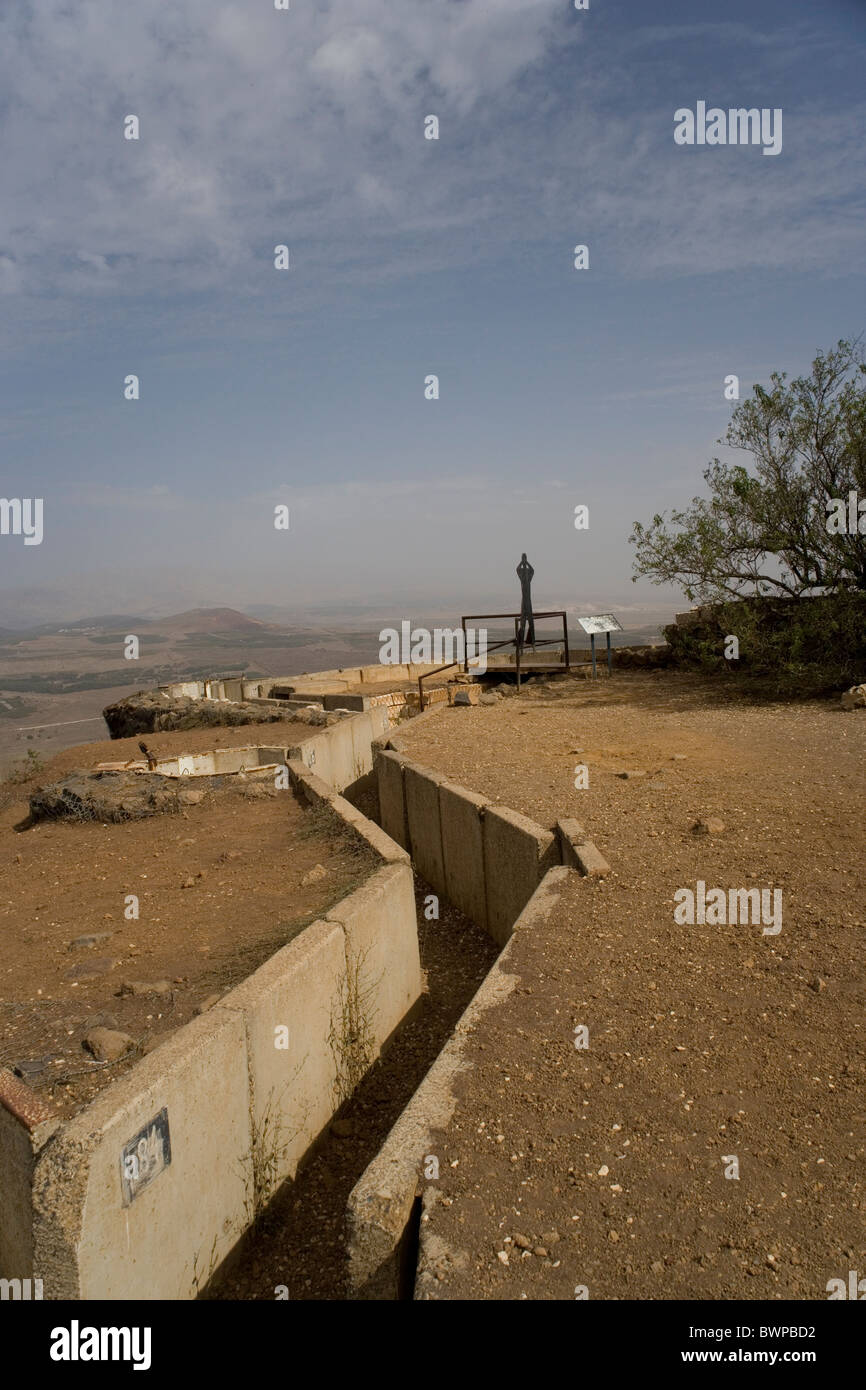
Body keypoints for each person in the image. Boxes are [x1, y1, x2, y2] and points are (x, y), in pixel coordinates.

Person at [516, 553, 536, 646]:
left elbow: (533, 570)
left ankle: (531, 640)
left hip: (528, 599)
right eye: (523, 558)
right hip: (524, 599)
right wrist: (522, 562)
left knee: (530, 621)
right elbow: (517, 569)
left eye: (525, 558)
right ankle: (520, 641)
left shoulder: (528, 573)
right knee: (523, 621)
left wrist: (526, 562)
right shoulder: (523, 574)